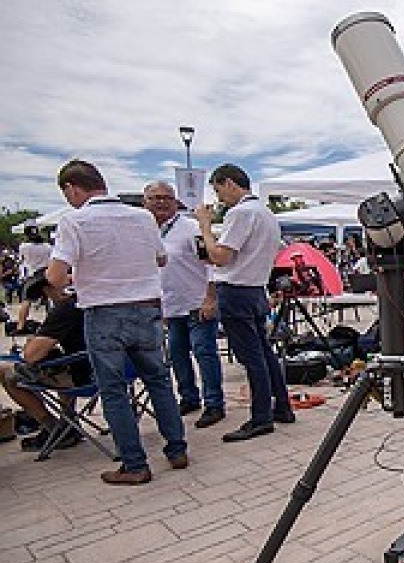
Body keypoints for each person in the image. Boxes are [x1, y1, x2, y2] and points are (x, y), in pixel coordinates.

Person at [47, 159, 187, 485]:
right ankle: (176, 448)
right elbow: (161, 258)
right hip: (146, 308)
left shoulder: (74, 222)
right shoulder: (142, 217)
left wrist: (82, 273)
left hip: (104, 311)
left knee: (113, 390)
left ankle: (135, 464)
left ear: (73, 188)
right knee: (159, 380)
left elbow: (55, 276)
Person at [197, 163, 294, 442]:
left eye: (219, 191)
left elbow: (220, 257)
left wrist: (205, 226)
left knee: (252, 358)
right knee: (264, 354)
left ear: (229, 183)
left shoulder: (240, 213)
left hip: (237, 290)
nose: (219, 199)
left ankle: (261, 417)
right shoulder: (265, 213)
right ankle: (281, 407)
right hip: (255, 289)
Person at [144, 181, 226, 429]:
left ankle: (214, 404)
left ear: (176, 202)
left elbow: (212, 264)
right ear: (144, 202)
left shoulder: (192, 229)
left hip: (197, 303)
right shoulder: (146, 231)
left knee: (204, 353)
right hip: (170, 306)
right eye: (154, 198)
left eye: (166, 198)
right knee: (178, 356)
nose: (161, 202)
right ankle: (189, 397)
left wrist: (210, 298)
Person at [0, 270, 88, 452]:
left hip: (85, 377)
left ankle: (55, 428)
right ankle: (69, 422)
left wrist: (35, 339)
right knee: (59, 363)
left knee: (7, 373)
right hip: (113, 371)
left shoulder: (64, 310)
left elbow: (30, 355)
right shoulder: (89, 300)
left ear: (48, 290)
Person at [15, 227, 53, 332]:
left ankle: (20, 326)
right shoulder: (48, 246)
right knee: (50, 301)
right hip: (46, 274)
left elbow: (21, 259)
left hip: (33, 275)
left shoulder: (24, 246)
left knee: (26, 301)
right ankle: (51, 324)